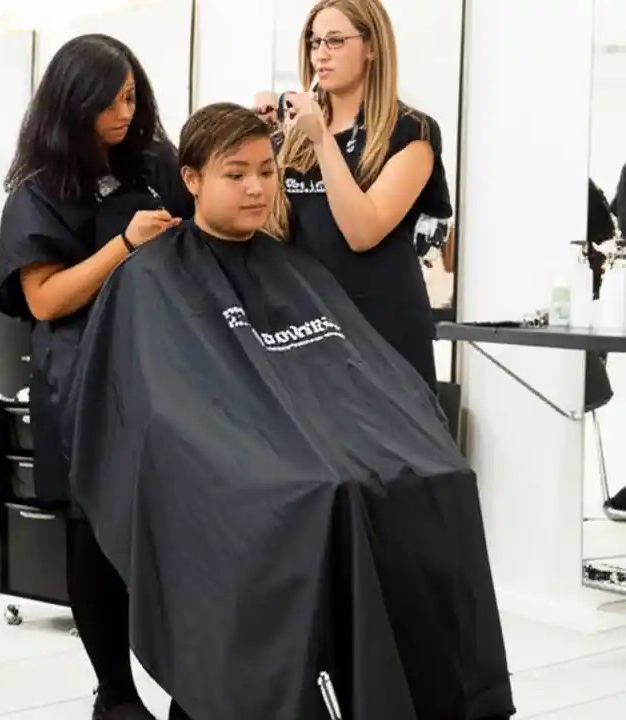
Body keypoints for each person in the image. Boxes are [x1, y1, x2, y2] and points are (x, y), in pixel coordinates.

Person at [66, 102, 515, 720]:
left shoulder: (295, 271)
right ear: (192, 179)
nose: (256, 187)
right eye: (235, 173)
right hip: (231, 468)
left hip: (306, 452)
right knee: (318, 497)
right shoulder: (150, 280)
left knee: (439, 480)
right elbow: (164, 414)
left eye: (267, 171)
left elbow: (356, 377)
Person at [0, 34, 190, 720]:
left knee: (181, 522)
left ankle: (194, 686)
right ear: (71, 105)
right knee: (96, 532)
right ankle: (116, 690)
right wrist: (123, 244)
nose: (124, 113)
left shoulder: (159, 165)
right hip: (82, 376)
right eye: (108, 101)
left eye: (132, 97)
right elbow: (47, 300)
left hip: (168, 365)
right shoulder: (37, 194)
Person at [260, 0, 452, 389]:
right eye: (314, 43)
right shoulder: (289, 137)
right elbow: (273, 232)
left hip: (383, 329)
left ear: (372, 47)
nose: (321, 54)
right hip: (309, 329)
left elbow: (362, 231)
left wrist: (321, 140)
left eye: (335, 41)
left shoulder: (410, 133)